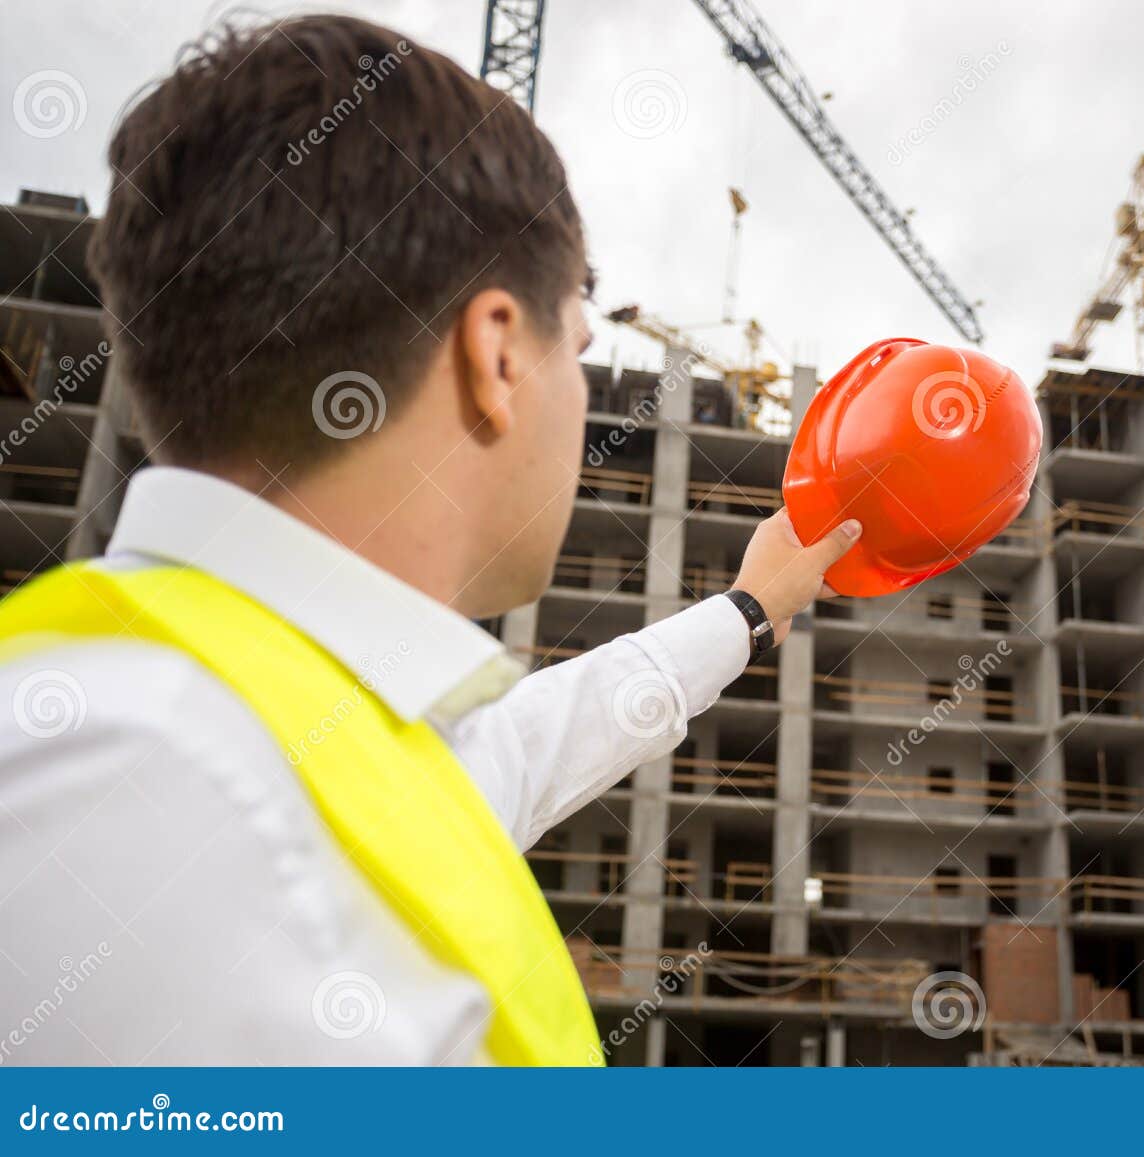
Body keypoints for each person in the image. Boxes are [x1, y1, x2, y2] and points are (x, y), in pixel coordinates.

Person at [0, 13, 859, 1065]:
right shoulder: (136, 778)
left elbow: (534, 740)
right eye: (578, 346)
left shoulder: (264, 714)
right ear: (497, 354)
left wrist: (750, 611)